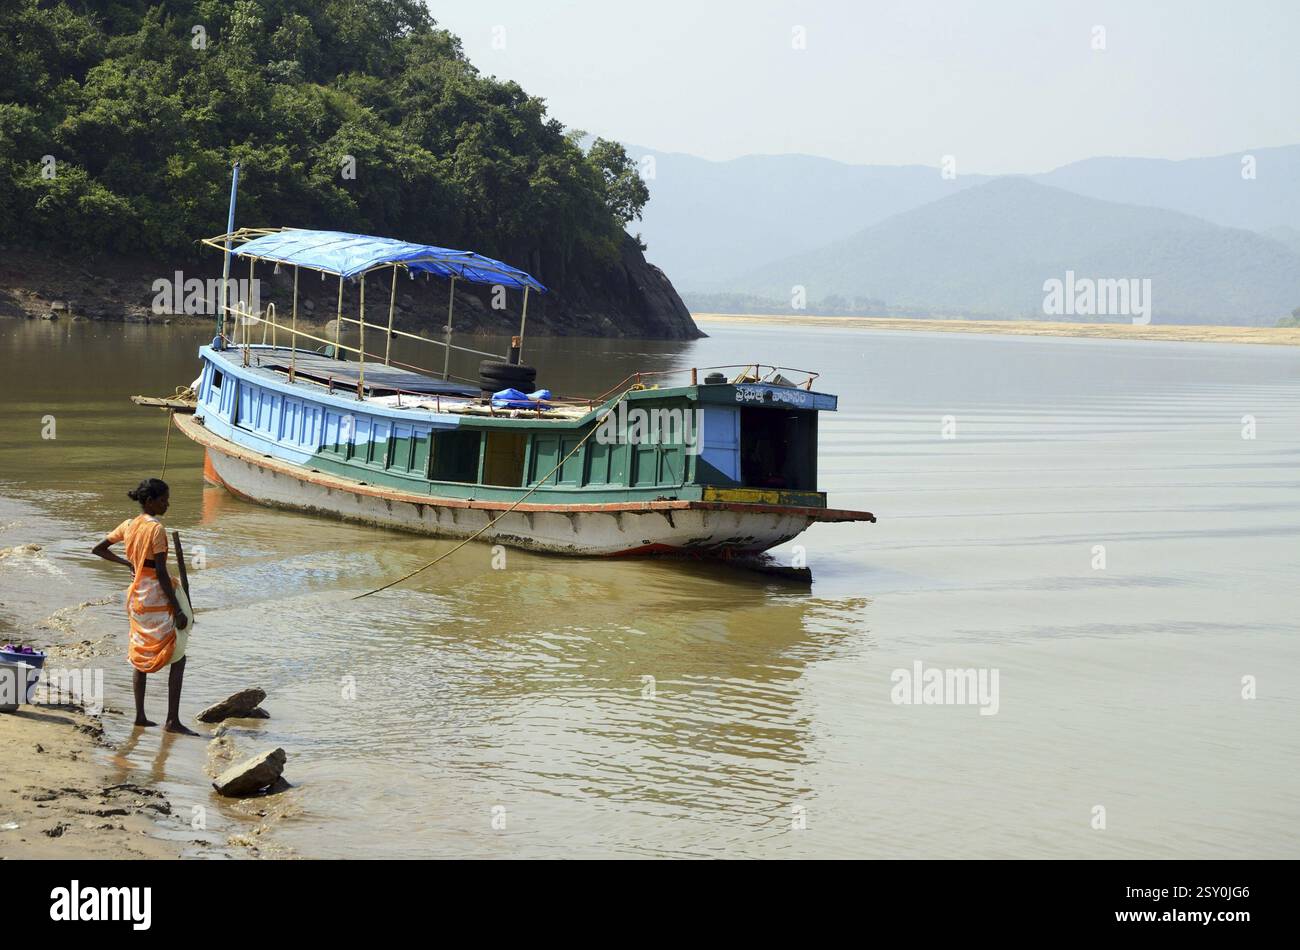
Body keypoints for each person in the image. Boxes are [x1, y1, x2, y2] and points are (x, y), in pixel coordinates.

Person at [92, 477, 196, 735]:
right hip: (156, 597)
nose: (167, 504)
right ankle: (172, 721)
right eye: (163, 499)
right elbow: (161, 572)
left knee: (140, 651)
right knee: (178, 655)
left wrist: (129, 565)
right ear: (150, 501)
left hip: (136, 596)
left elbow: (99, 549)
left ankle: (140, 716)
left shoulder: (128, 525)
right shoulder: (156, 529)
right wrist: (179, 609)